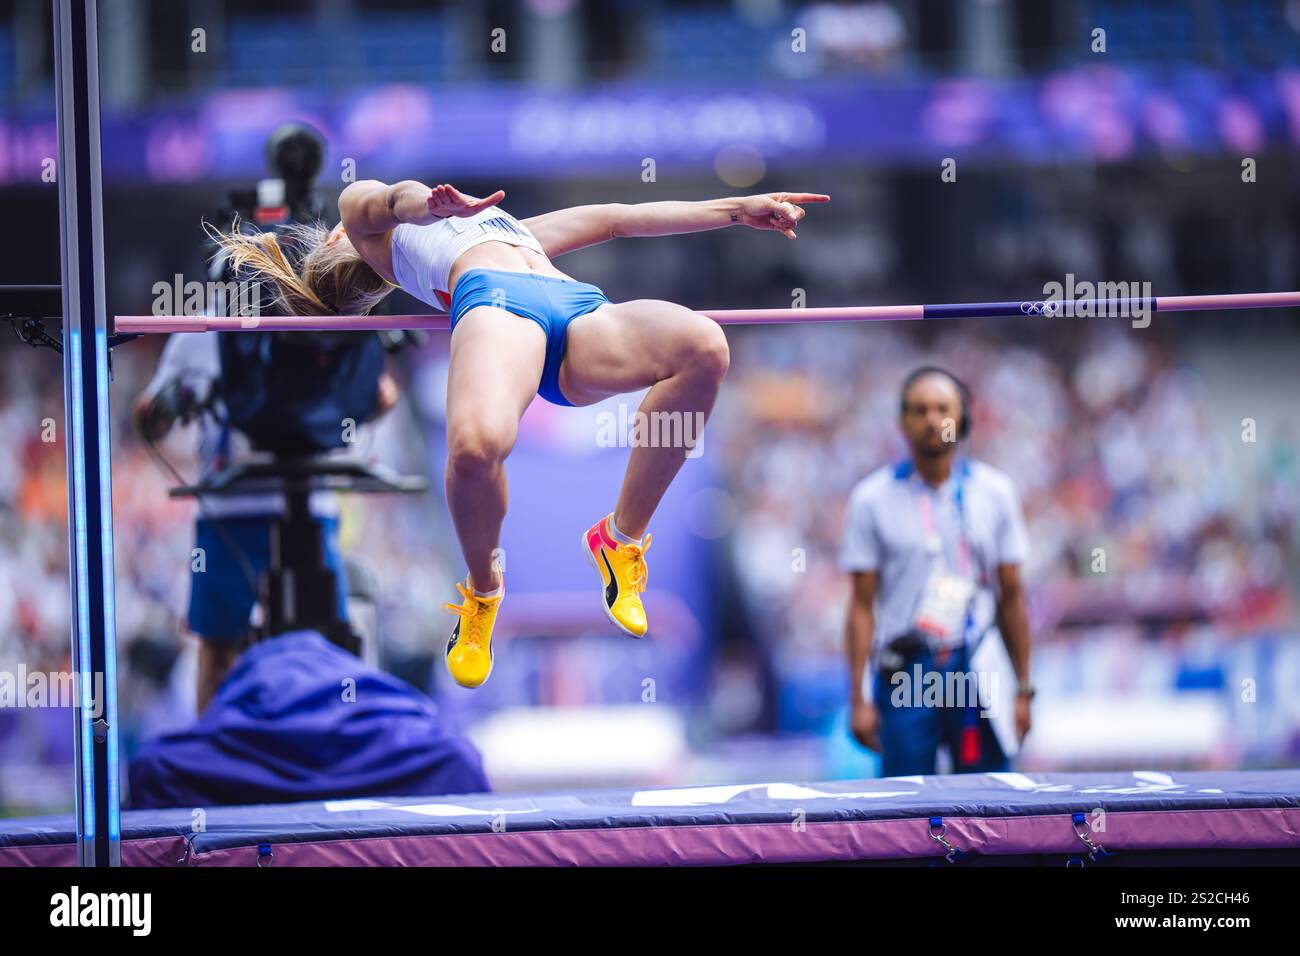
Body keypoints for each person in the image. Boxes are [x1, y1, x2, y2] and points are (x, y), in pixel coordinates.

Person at [209, 181, 830, 688]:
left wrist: (734, 211)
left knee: (703, 346)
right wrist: (424, 206)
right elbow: (380, 198)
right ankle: (482, 593)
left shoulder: (514, 230)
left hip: (578, 310)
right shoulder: (375, 230)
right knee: (476, 447)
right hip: (497, 306)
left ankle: (621, 539)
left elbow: (619, 215)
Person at [840, 367, 1034, 776]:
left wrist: (1023, 688)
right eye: (919, 410)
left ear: (961, 418)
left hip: (977, 658)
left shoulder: (995, 493)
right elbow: (860, 605)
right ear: (903, 422)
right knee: (904, 804)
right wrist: (858, 699)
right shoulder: (871, 499)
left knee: (991, 801)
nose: (932, 420)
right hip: (907, 665)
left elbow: (1013, 595)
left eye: (942, 409)